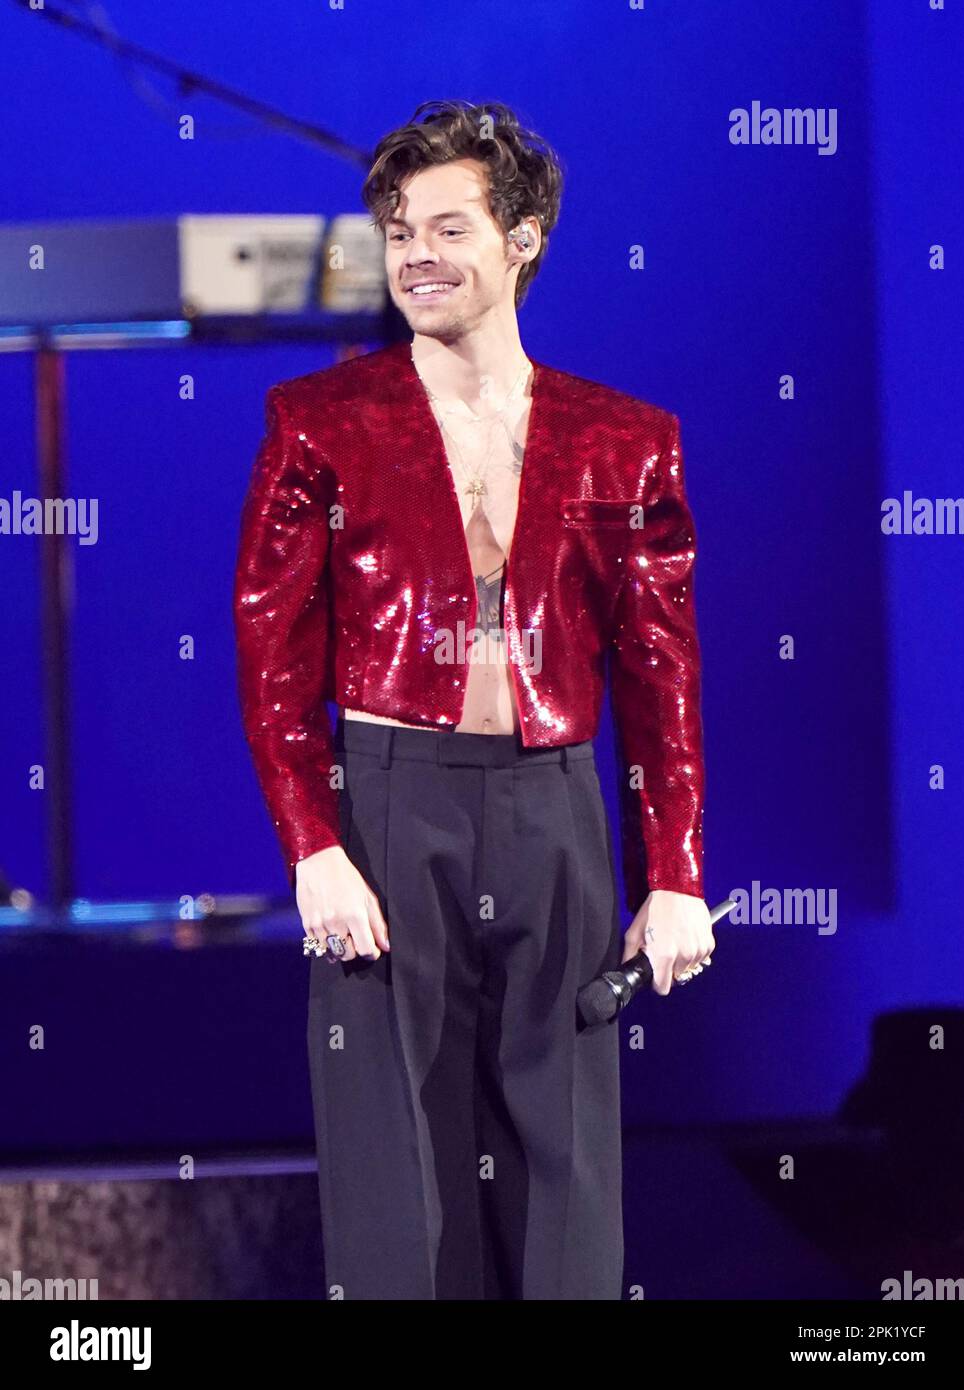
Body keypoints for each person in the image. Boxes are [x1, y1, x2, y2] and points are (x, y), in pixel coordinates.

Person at [233, 99, 714, 1301]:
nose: (417, 255)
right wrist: (313, 846)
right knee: (396, 1175)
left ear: (524, 237)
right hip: (392, 808)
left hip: (556, 806)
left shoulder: (625, 439)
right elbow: (270, 650)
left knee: (567, 1173)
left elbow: (662, 668)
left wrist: (676, 869)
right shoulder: (320, 422)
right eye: (400, 231)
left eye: (449, 227)